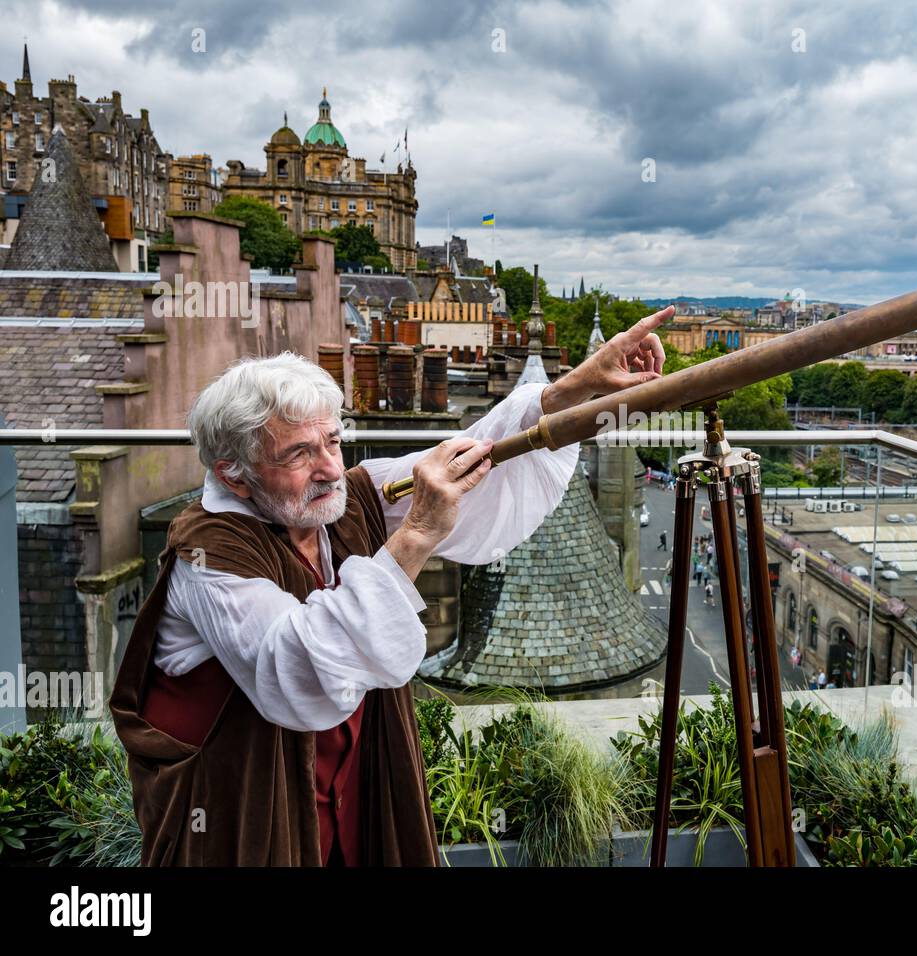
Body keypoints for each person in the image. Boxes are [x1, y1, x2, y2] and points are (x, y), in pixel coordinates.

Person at [109, 306, 672, 867]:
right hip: (243, 821)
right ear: (234, 475)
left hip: (351, 803)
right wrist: (417, 534)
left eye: (332, 441)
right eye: (299, 454)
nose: (331, 468)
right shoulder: (208, 554)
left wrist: (573, 390)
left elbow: (470, 459)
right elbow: (297, 672)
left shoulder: (344, 499)